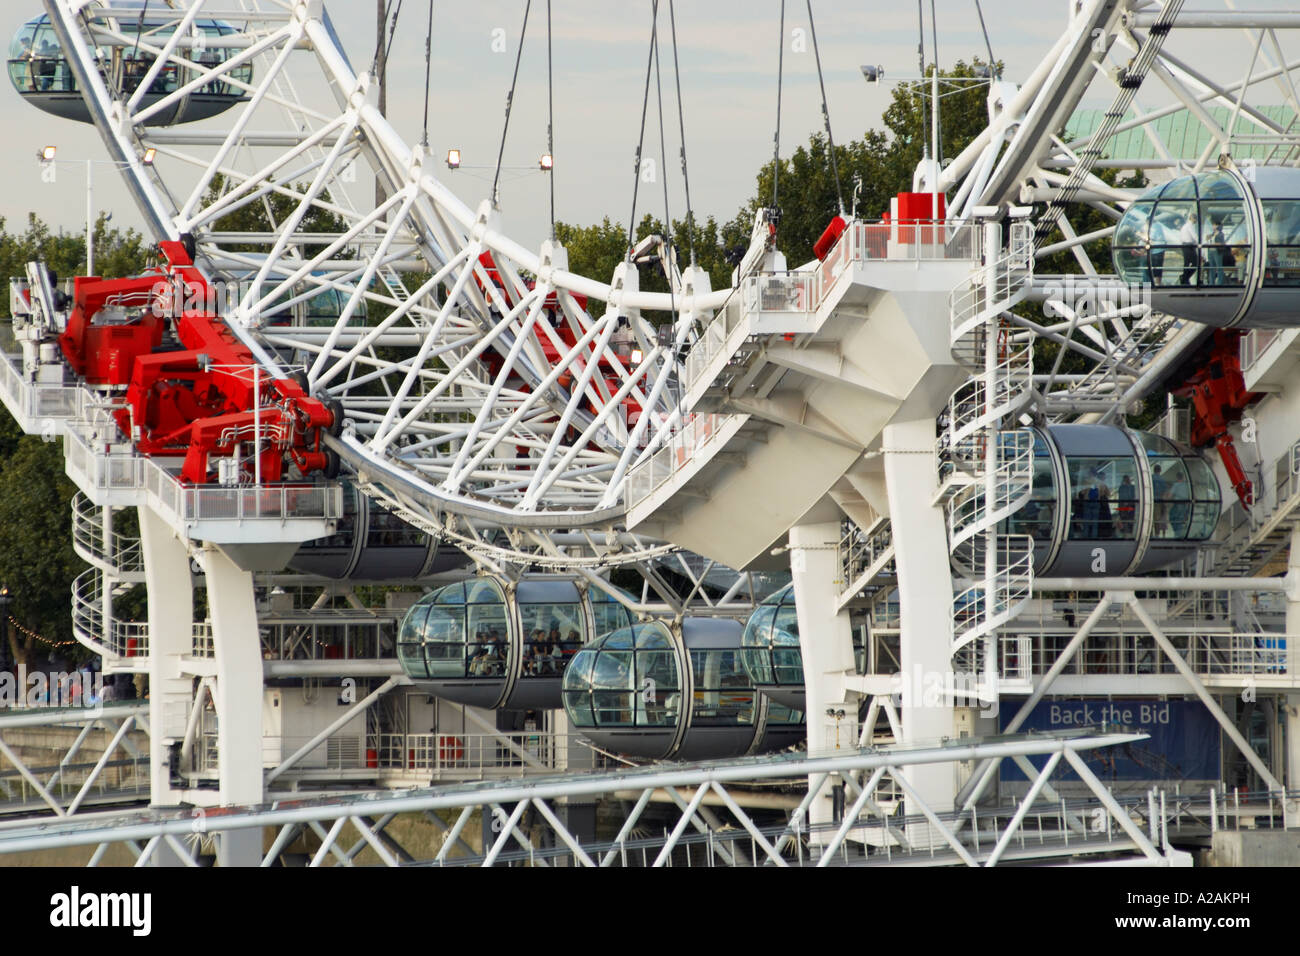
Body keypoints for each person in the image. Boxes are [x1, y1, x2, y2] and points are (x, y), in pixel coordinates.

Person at [1178, 212, 1199, 285]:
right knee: (1196, 262)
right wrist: (1199, 242)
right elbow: (1194, 236)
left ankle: (1185, 278)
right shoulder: (1190, 226)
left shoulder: (1185, 226)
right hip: (1189, 246)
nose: (1196, 220)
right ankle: (1185, 278)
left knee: (1187, 263)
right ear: (1192, 218)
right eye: (1195, 219)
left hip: (1184, 245)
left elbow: (1181, 237)